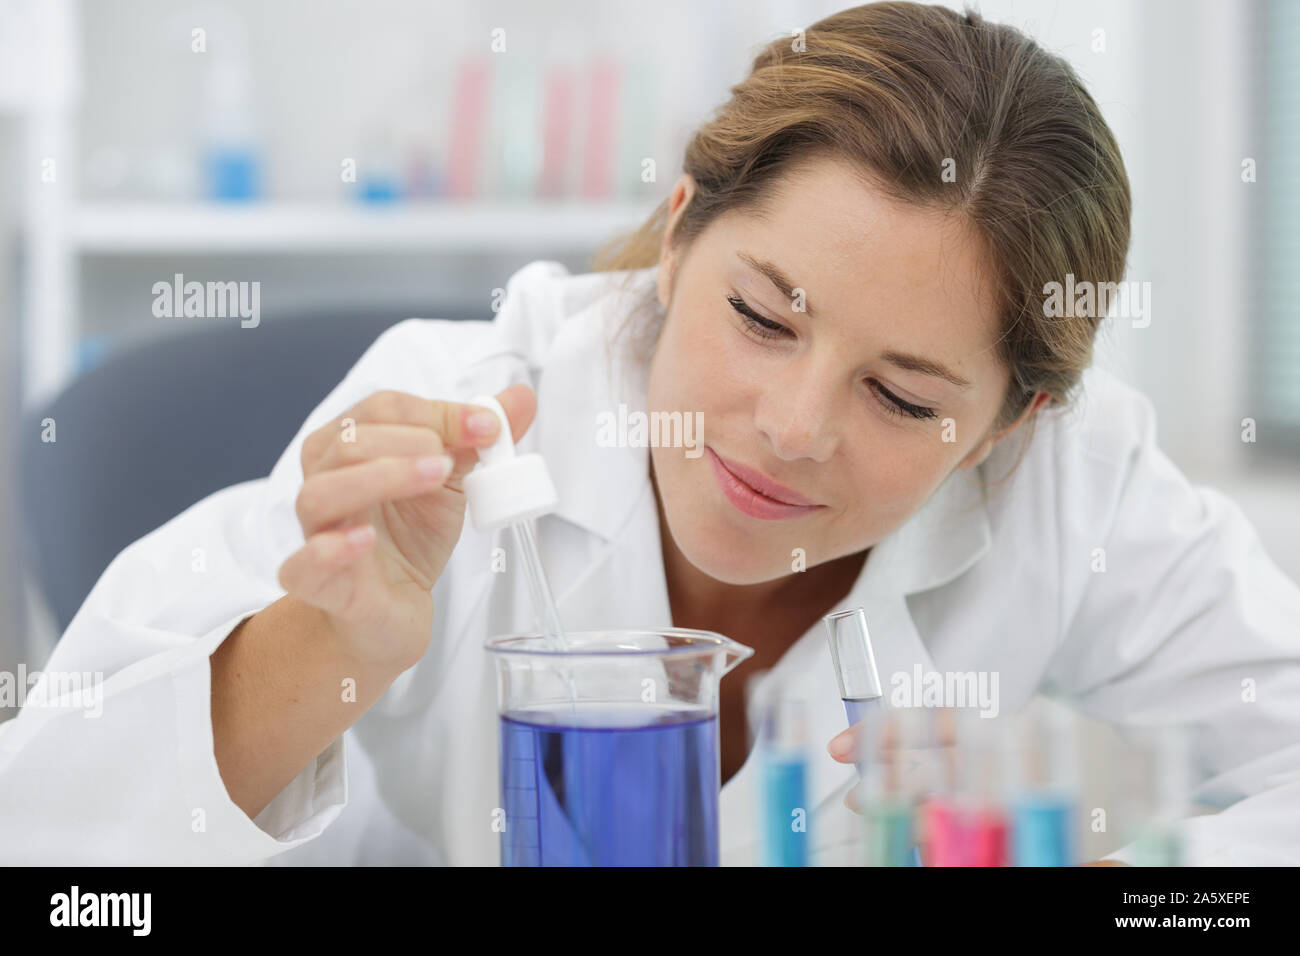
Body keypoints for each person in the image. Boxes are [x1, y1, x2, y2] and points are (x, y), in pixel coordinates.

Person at [2, 1, 1298, 866]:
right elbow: (47, 843)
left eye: (903, 399)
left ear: (1016, 418)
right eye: (761, 316)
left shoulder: (1076, 482)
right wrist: (323, 649)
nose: (791, 430)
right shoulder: (452, 417)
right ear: (681, 235)